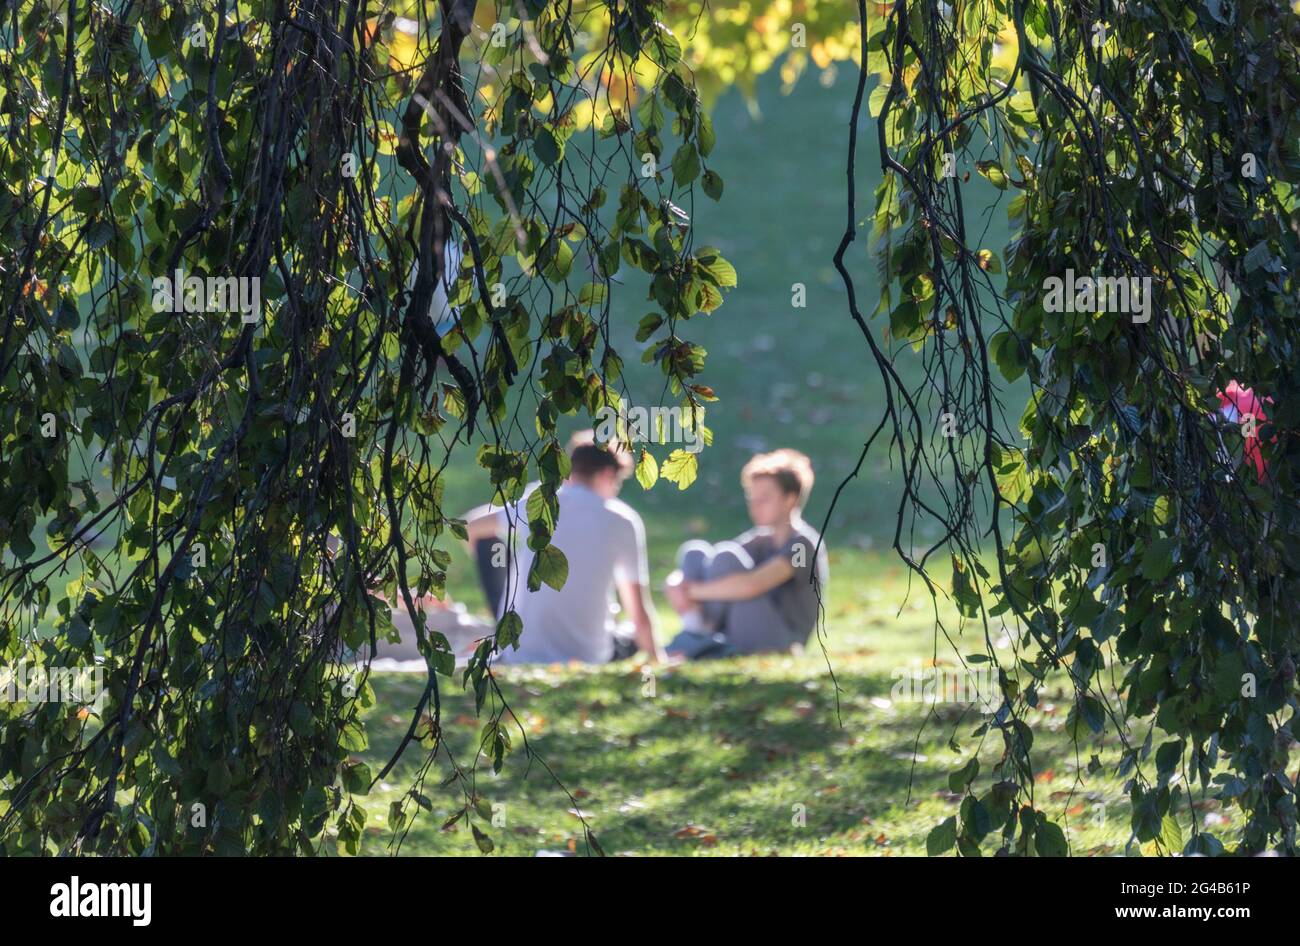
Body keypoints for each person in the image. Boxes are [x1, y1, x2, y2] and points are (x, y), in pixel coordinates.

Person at [461, 431, 663, 665]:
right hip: (590, 655)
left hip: (521, 653)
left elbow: (470, 528)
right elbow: (638, 610)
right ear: (608, 474)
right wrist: (658, 659)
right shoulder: (623, 521)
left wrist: (506, 585)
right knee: (628, 633)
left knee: (487, 542)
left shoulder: (540, 501)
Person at [663, 448, 828, 659]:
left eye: (765, 498)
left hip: (782, 639)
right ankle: (696, 630)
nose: (755, 506)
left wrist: (690, 592)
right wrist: (676, 582)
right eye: (752, 498)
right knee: (695, 552)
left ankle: (698, 634)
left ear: (791, 499)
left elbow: (752, 585)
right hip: (741, 626)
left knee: (726, 557)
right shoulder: (760, 539)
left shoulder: (802, 547)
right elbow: (712, 568)